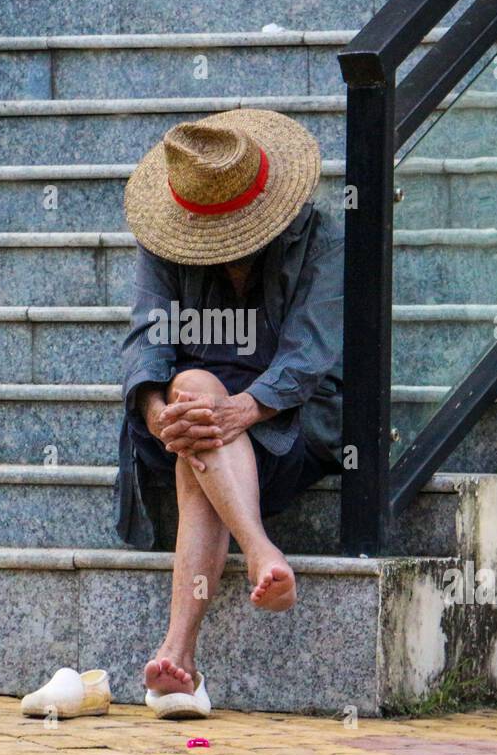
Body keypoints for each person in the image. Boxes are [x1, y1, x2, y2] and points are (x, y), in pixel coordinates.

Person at [116, 108, 343, 717]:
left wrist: (240, 409)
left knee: (203, 423)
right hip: (186, 426)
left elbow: (311, 353)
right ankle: (261, 550)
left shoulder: (323, 238)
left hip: (289, 423)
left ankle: (178, 652)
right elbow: (147, 340)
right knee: (191, 386)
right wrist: (160, 410)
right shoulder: (165, 239)